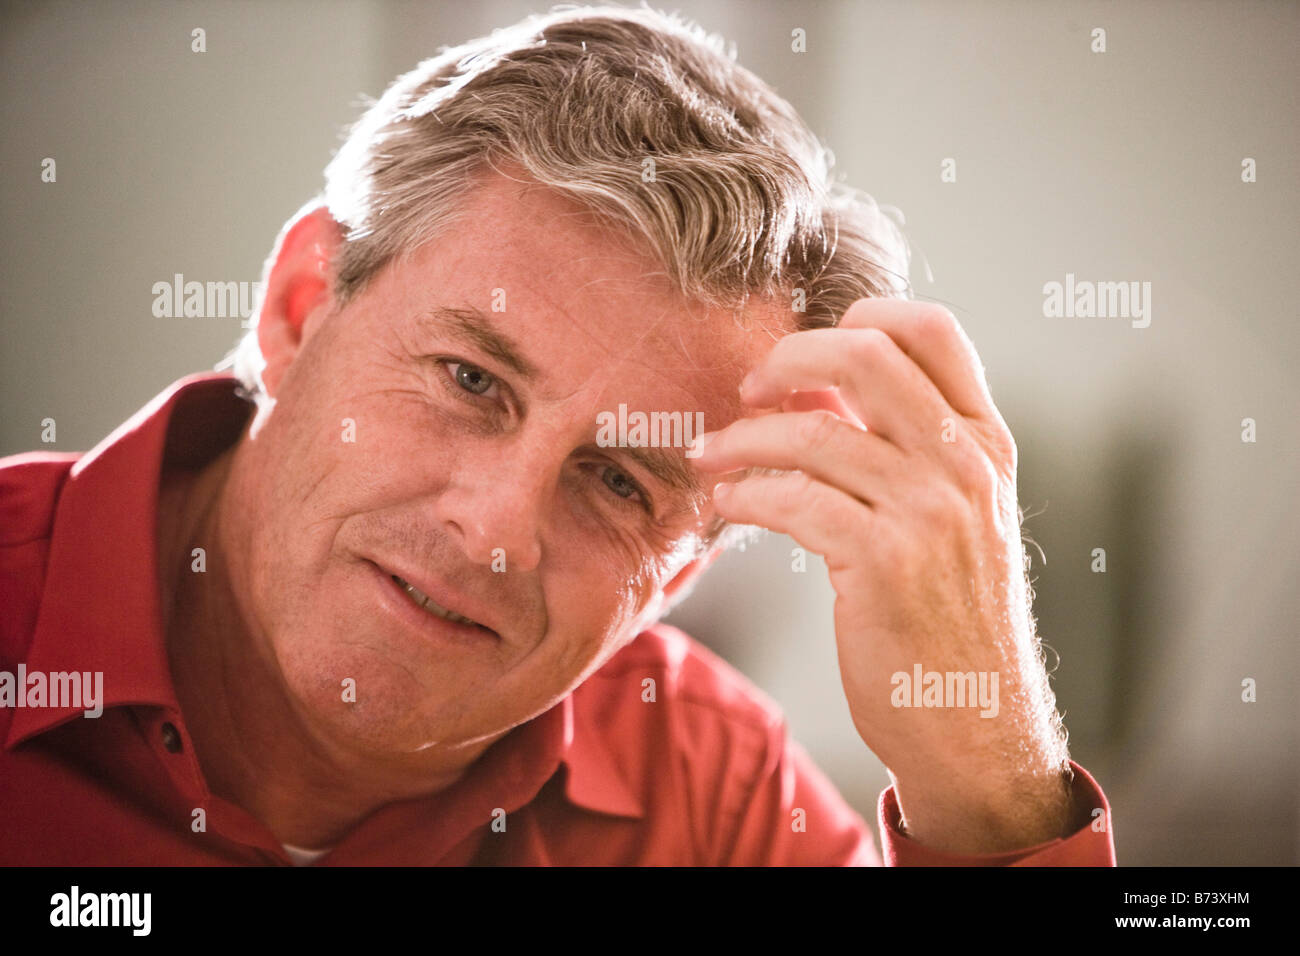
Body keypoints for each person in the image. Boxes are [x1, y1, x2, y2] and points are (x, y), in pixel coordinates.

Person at [0, 5, 1115, 865]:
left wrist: (986, 770)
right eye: (470, 379)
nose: (495, 529)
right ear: (298, 306)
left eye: (621, 479)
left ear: (689, 559)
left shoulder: (709, 791)